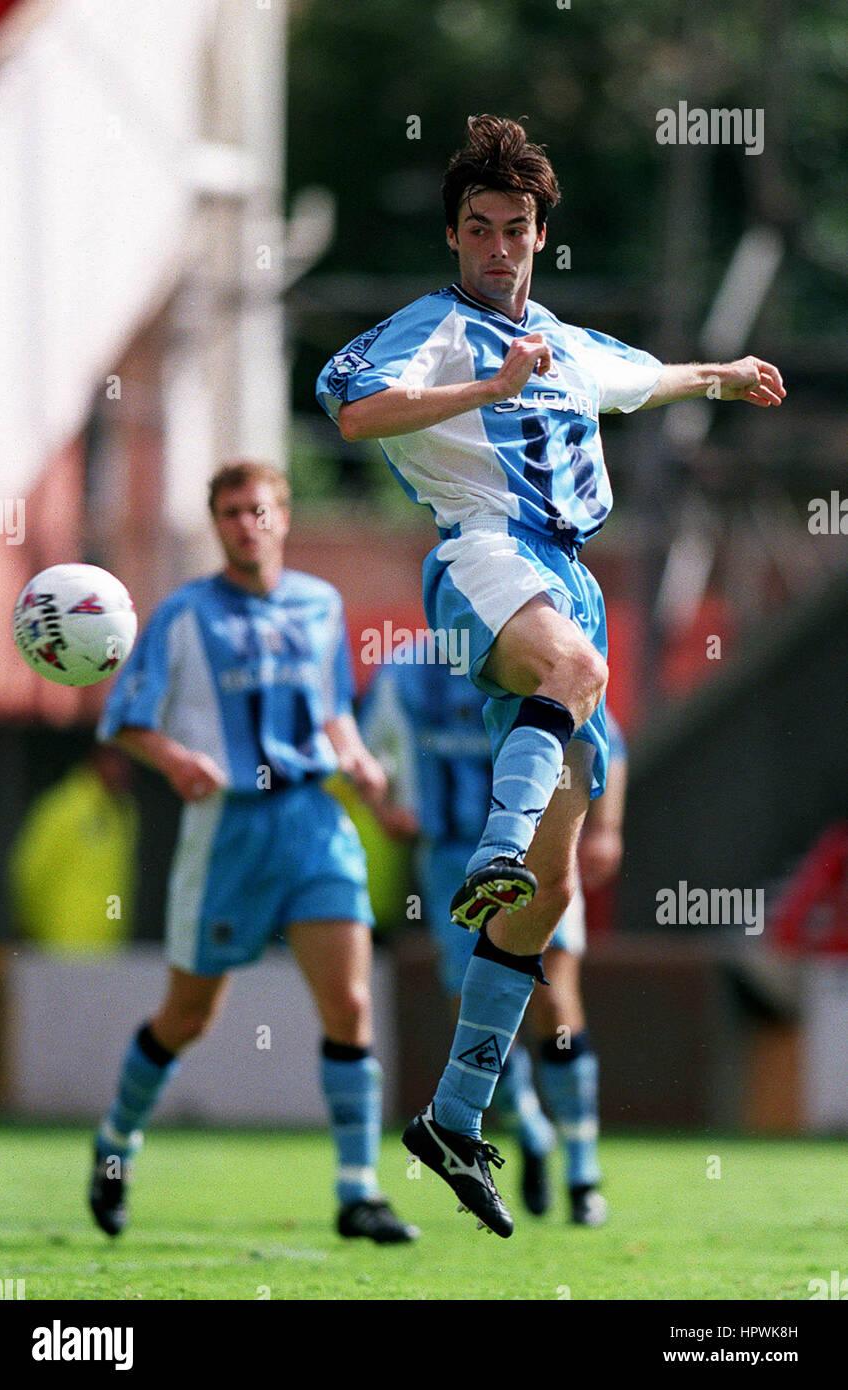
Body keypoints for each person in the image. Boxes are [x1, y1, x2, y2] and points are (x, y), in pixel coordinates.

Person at [317, 114, 785, 1236]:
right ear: (452, 235)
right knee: (564, 683)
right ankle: (489, 849)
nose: (496, 247)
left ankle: (455, 1115)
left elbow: (643, 379)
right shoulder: (432, 332)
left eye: (514, 230)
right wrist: (481, 394)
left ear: (537, 236)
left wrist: (719, 374)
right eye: (477, 229)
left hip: (567, 580)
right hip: (483, 555)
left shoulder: (567, 346)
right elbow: (349, 407)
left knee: (554, 889)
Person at [88, 460, 418, 1246]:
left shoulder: (321, 604)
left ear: (284, 516)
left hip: (312, 820)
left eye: (258, 509)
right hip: (228, 829)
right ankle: (115, 1145)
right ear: (216, 524)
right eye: (231, 512)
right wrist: (175, 759)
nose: (246, 523)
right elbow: (125, 720)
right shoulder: (181, 615)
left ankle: (358, 1192)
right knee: (189, 1016)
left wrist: (361, 761)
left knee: (349, 1003)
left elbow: (334, 709)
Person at [360, 653, 627, 1226]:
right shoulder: (406, 674)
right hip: (452, 855)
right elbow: (369, 750)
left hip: (542, 853)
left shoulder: (539, 652)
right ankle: (530, 1127)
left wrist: (604, 828)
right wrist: (384, 802)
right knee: (473, 1011)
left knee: (555, 1004)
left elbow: (608, 738)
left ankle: (583, 1172)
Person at [8, 745, 138, 953]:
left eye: (127, 762)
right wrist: (36, 928)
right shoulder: (63, 807)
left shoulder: (124, 813)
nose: (123, 769)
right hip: (61, 942)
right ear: (96, 759)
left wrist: (114, 926)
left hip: (110, 944)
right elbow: (31, 873)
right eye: (115, 759)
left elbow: (116, 884)